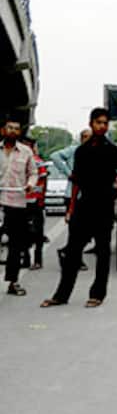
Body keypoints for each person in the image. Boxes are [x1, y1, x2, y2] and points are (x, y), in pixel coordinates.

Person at [41, 107, 117, 308]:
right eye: (98, 122)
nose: (102, 126)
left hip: (104, 208)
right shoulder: (82, 151)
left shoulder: (114, 151)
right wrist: (71, 208)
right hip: (83, 207)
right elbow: (76, 183)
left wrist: (113, 194)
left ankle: (97, 294)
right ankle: (61, 295)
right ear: (91, 123)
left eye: (105, 123)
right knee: (73, 252)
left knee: (102, 253)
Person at [0, 118, 38, 296]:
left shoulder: (26, 152)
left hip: (16, 202)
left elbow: (33, 173)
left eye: (16, 129)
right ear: (3, 131)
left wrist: (30, 184)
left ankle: (13, 282)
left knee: (15, 245)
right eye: (10, 128)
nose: (13, 131)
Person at [57, 127, 94, 270]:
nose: (88, 139)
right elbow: (55, 156)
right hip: (73, 196)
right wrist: (68, 173)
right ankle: (76, 259)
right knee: (76, 230)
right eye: (85, 136)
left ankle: (66, 251)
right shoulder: (74, 150)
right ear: (81, 138)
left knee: (88, 230)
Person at [22, 137, 48, 269]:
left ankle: (38, 260)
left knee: (38, 232)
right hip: (20, 201)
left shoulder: (38, 162)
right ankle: (25, 258)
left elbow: (43, 182)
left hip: (35, 201)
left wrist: (40, 198)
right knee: (21, 232)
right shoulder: (18, 160)